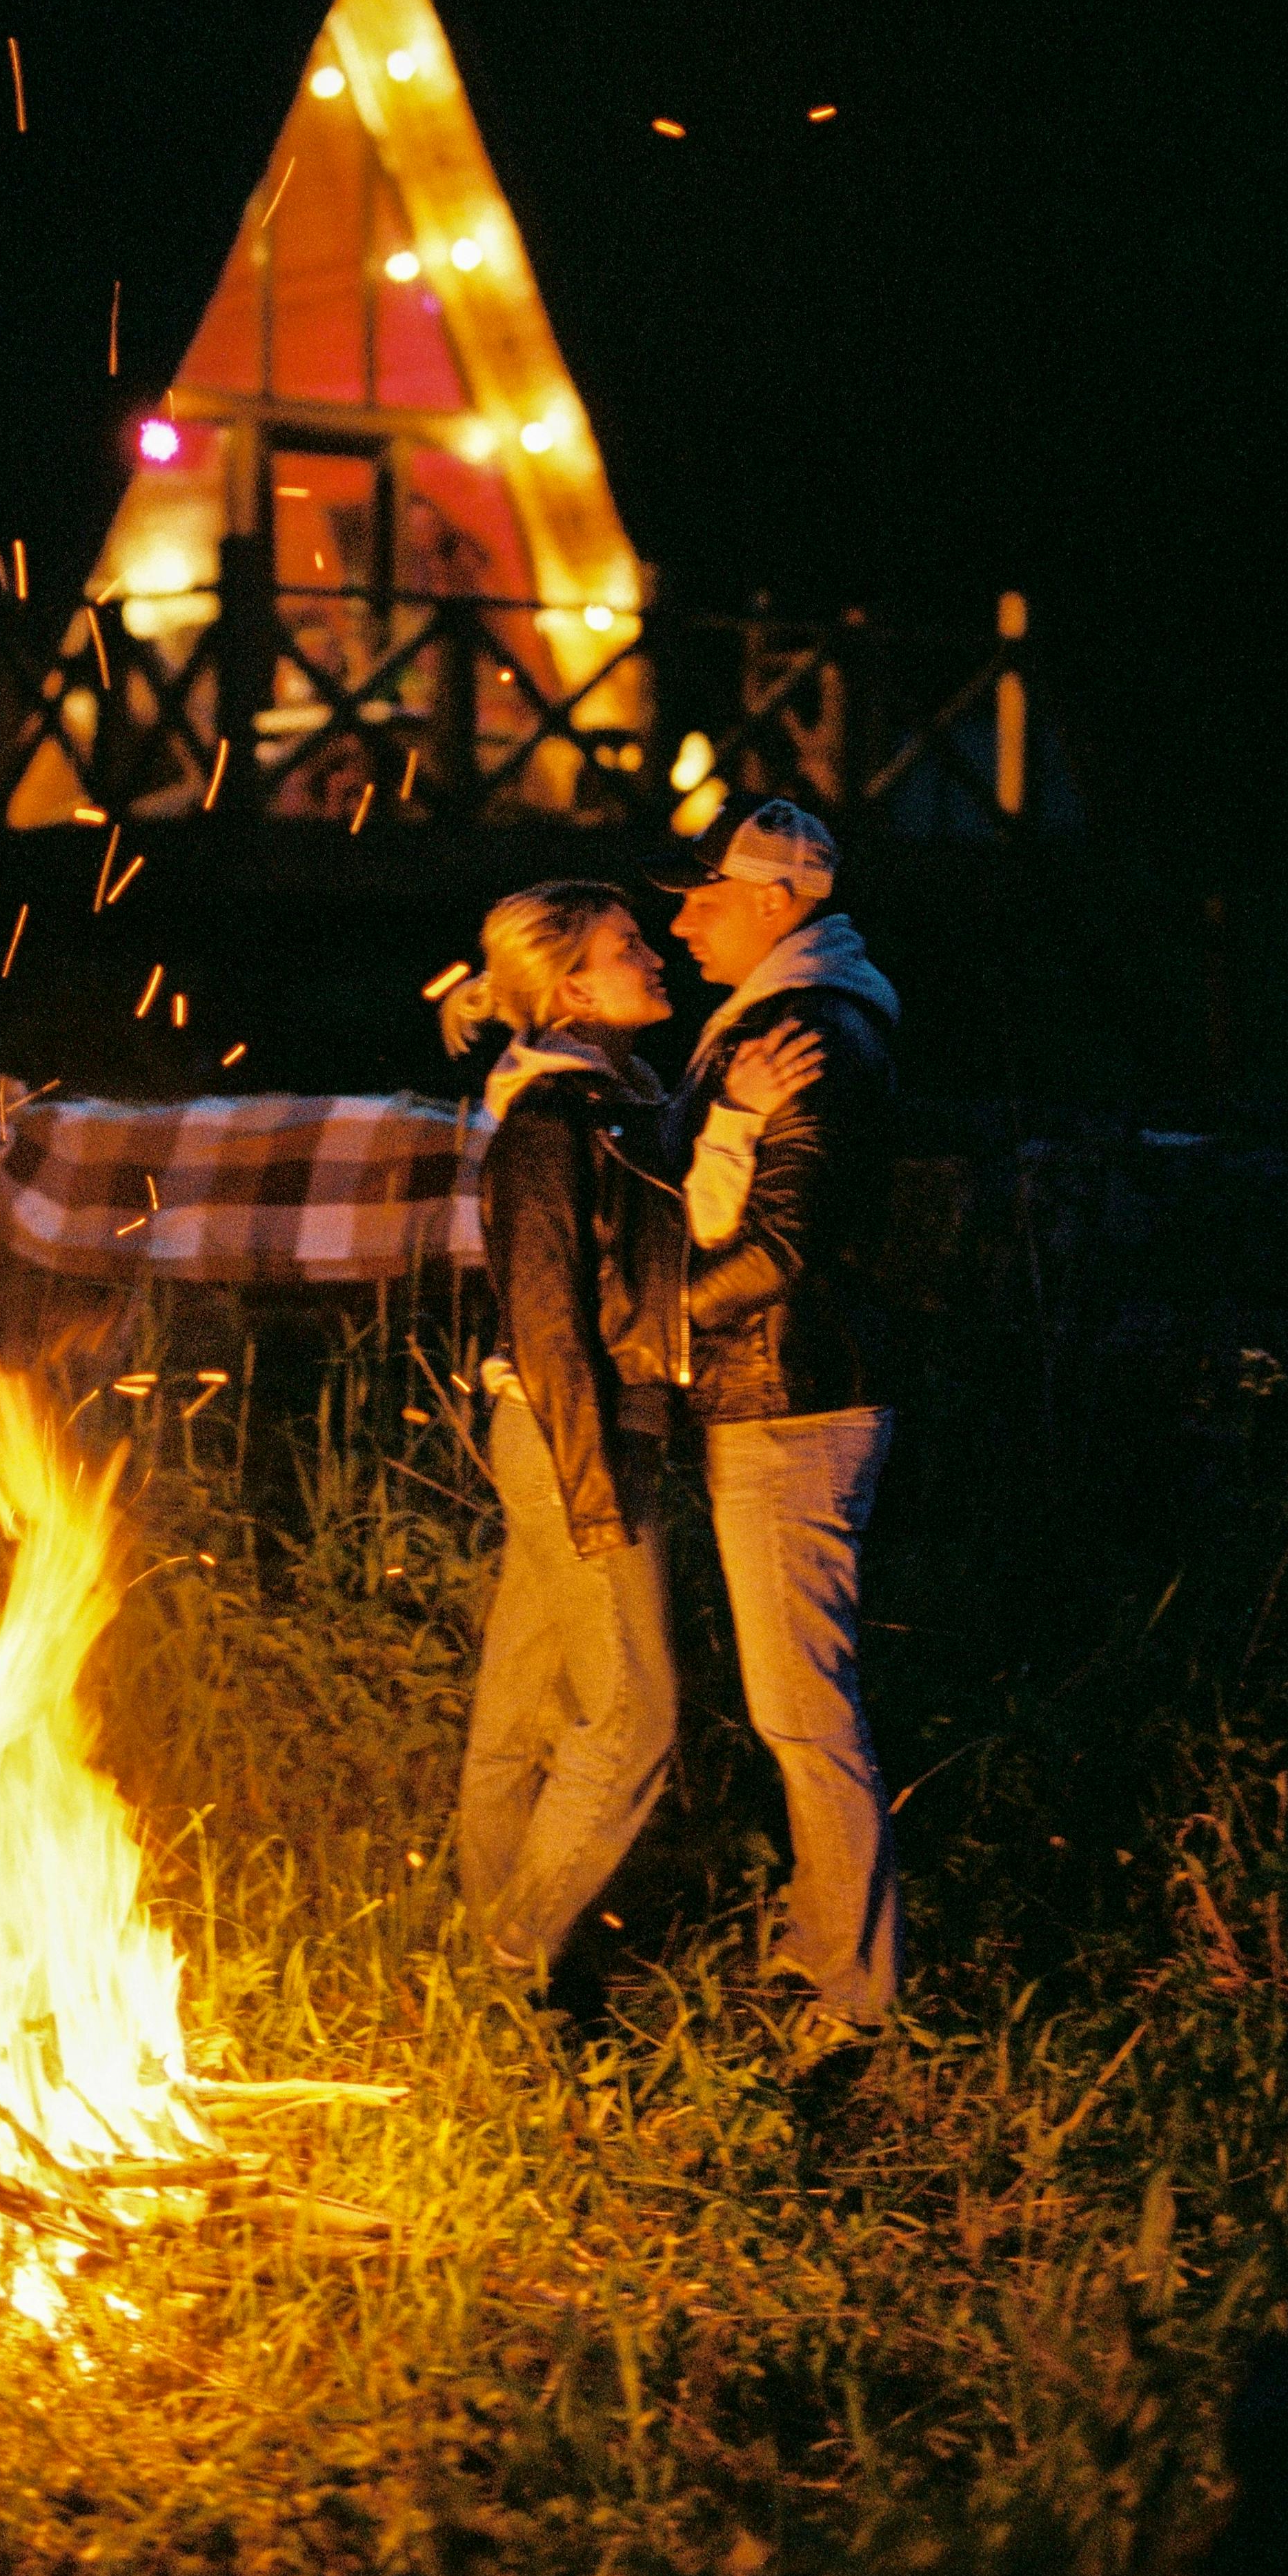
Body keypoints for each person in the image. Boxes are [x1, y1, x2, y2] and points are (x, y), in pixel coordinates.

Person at [436, 881, 817, 1981]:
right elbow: (550, 1319)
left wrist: (731, 1112)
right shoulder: (552, 1122)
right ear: (569, 986)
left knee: (521, 1706)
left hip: (559, 1431)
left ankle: (480, 1954)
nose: (654, 958)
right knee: (634, 1722)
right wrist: (596, 1490)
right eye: (627, 946)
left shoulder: (602, 1101)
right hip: (575, 1434)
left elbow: (660, 1226)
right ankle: (511, 1959)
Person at [652, 798, 904, 2046]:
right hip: (782, 1391)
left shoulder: (805, 1027)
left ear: (774, 900)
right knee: (793, 1701)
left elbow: (786, 1244)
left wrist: (645, 1326)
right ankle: (821, 1952)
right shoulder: (790, 1018)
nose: (680, 918)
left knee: (803, 1705)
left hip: (790, 1398)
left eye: (701, 895)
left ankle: (848, 1997)